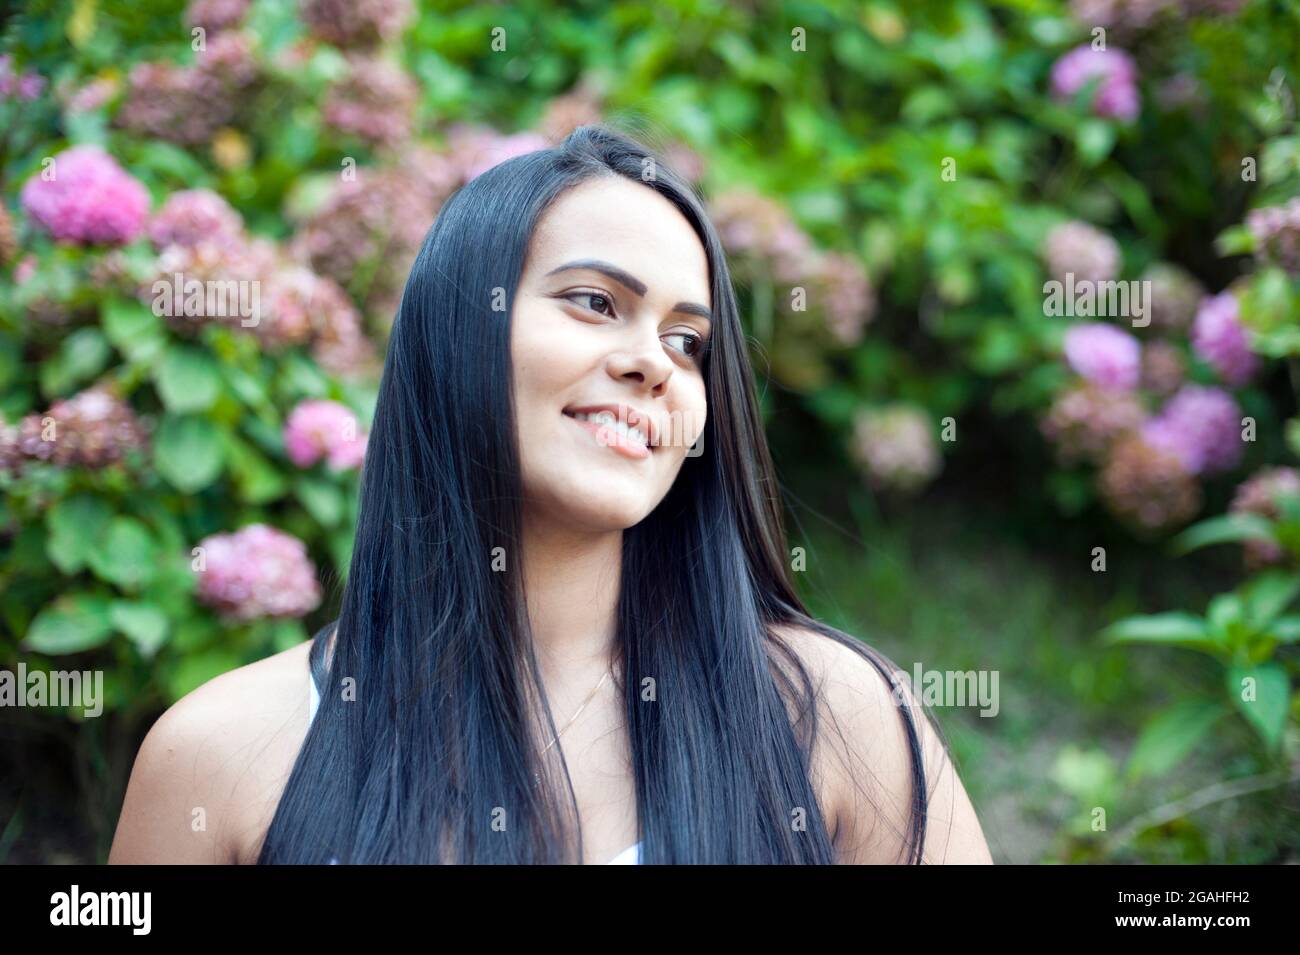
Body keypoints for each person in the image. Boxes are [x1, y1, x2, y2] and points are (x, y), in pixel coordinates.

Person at [108, 124, 993, 865]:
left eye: (689, 341)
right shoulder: (218, 757)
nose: (656, 363)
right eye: (596, 302)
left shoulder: (833, 719)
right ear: (460, 329)